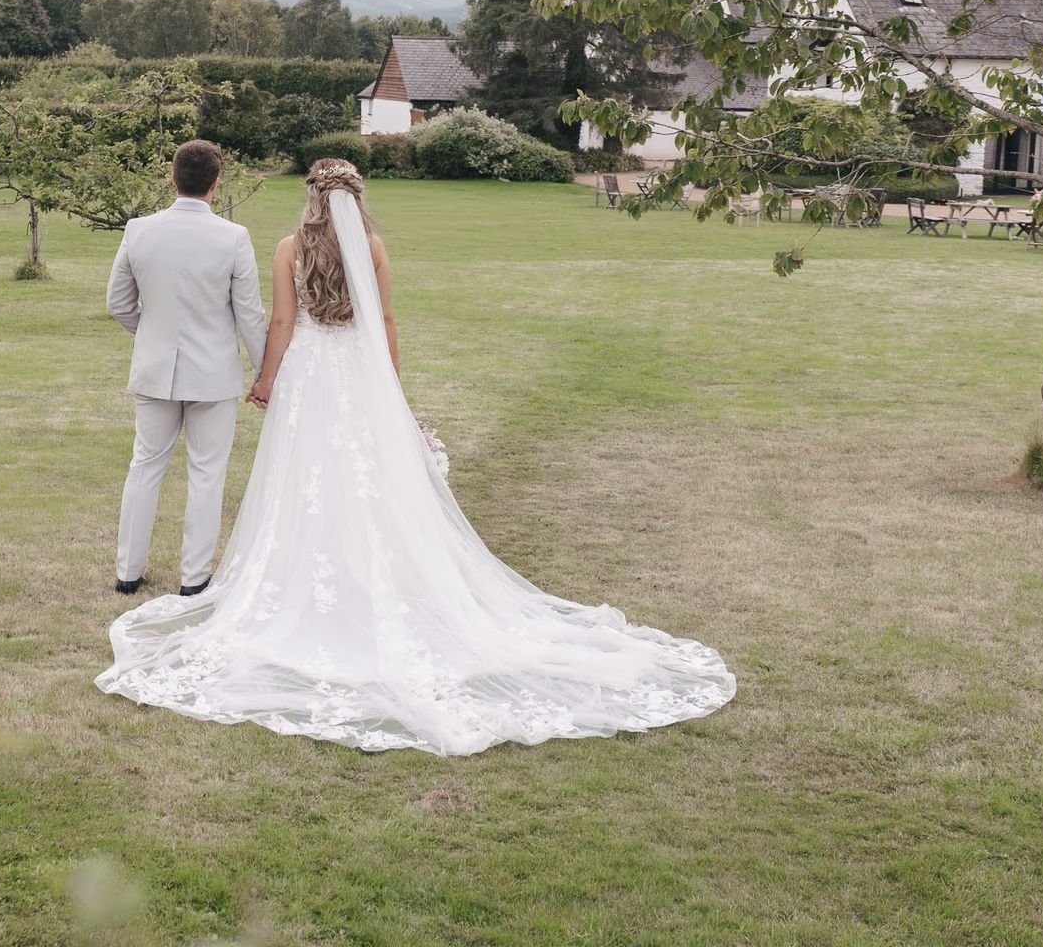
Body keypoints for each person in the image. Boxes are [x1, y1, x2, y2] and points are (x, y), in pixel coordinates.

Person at [95, 158, 735, 755]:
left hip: (311, 374)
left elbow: (283, 324)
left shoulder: (289, 248)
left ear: (312, 197)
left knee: (299, 476)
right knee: (364, 476)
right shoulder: (373, 247)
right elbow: (386, 322)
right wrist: (389, 389)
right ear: (355, 200)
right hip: (358, 371)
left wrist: (268, 379)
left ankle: (239, 573)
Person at [105, 139, 267, 597]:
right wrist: (262, 373)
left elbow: (118, 303)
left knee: (145, 466)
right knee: (207, 473)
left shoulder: (139, 230)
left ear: (173, 177)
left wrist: (152, 334)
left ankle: (128, 573)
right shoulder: (233, 237)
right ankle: (194, 579)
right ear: (215, 183)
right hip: (213, 373)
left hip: (154, 369)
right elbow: (249, 314)